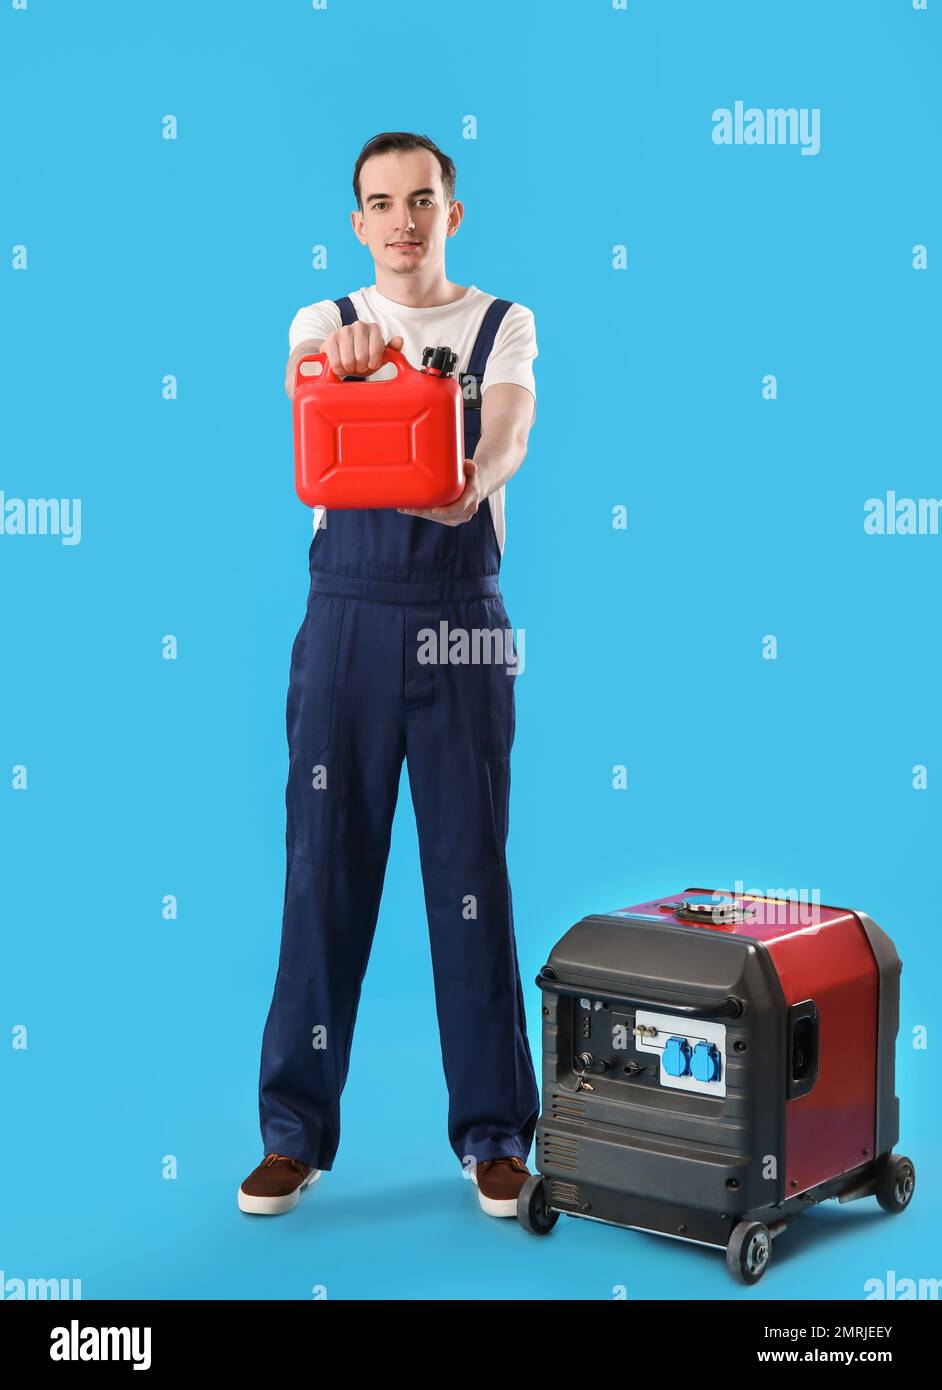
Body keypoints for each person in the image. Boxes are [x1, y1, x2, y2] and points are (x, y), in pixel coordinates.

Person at [238, 131, 540, 1220]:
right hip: (349, 622)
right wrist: (351, 372)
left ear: (452, 213)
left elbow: (507, 428)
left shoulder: (502, 324)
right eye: (381, 203)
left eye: (422, 199)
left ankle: (497, 1135)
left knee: (471, 876)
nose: (403, 220)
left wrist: (473, 475)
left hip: (462, 621)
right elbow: (303, 393)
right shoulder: (324, 324)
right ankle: (293, 1134)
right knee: (323, 869)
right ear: (357, 223)